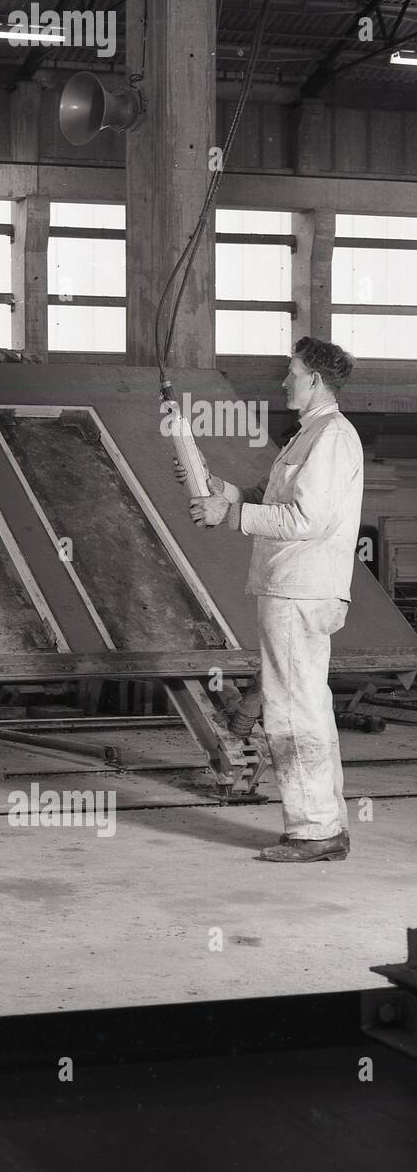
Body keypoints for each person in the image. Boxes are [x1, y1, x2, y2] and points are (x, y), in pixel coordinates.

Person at [187, 337, 363, 862]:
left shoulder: (331, 437)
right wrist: (223, 490)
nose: (284, 381)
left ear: (315, 379)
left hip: (299, 587)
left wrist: (231, 516)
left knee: (290, 709)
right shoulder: (310, 436)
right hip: (293, 585)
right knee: (307, 703)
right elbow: (273, 497)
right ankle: (325, 826)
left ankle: (312, 832)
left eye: (291, 372)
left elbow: (307, 520)